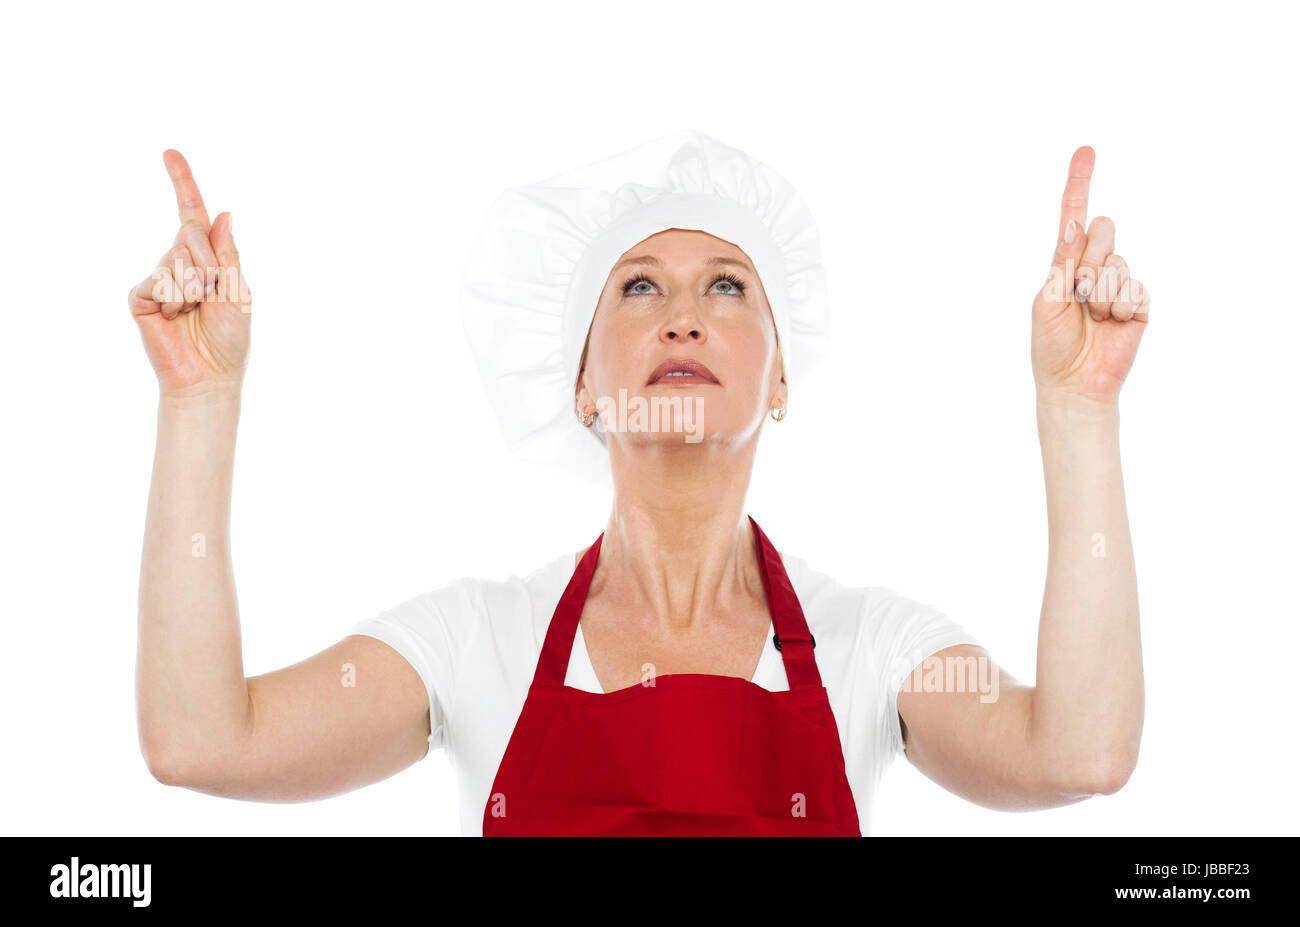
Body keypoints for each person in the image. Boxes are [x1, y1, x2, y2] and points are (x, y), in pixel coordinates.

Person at [130, 129, 1148, 836]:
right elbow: (202, 739)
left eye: (726, 286)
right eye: (639, 287)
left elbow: (1078, 755)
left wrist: (1078, 409)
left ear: (781, 372)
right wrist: (198, 399)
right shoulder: (478, 640)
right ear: (579, 380)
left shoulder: (872, 650)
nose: (683, 316)